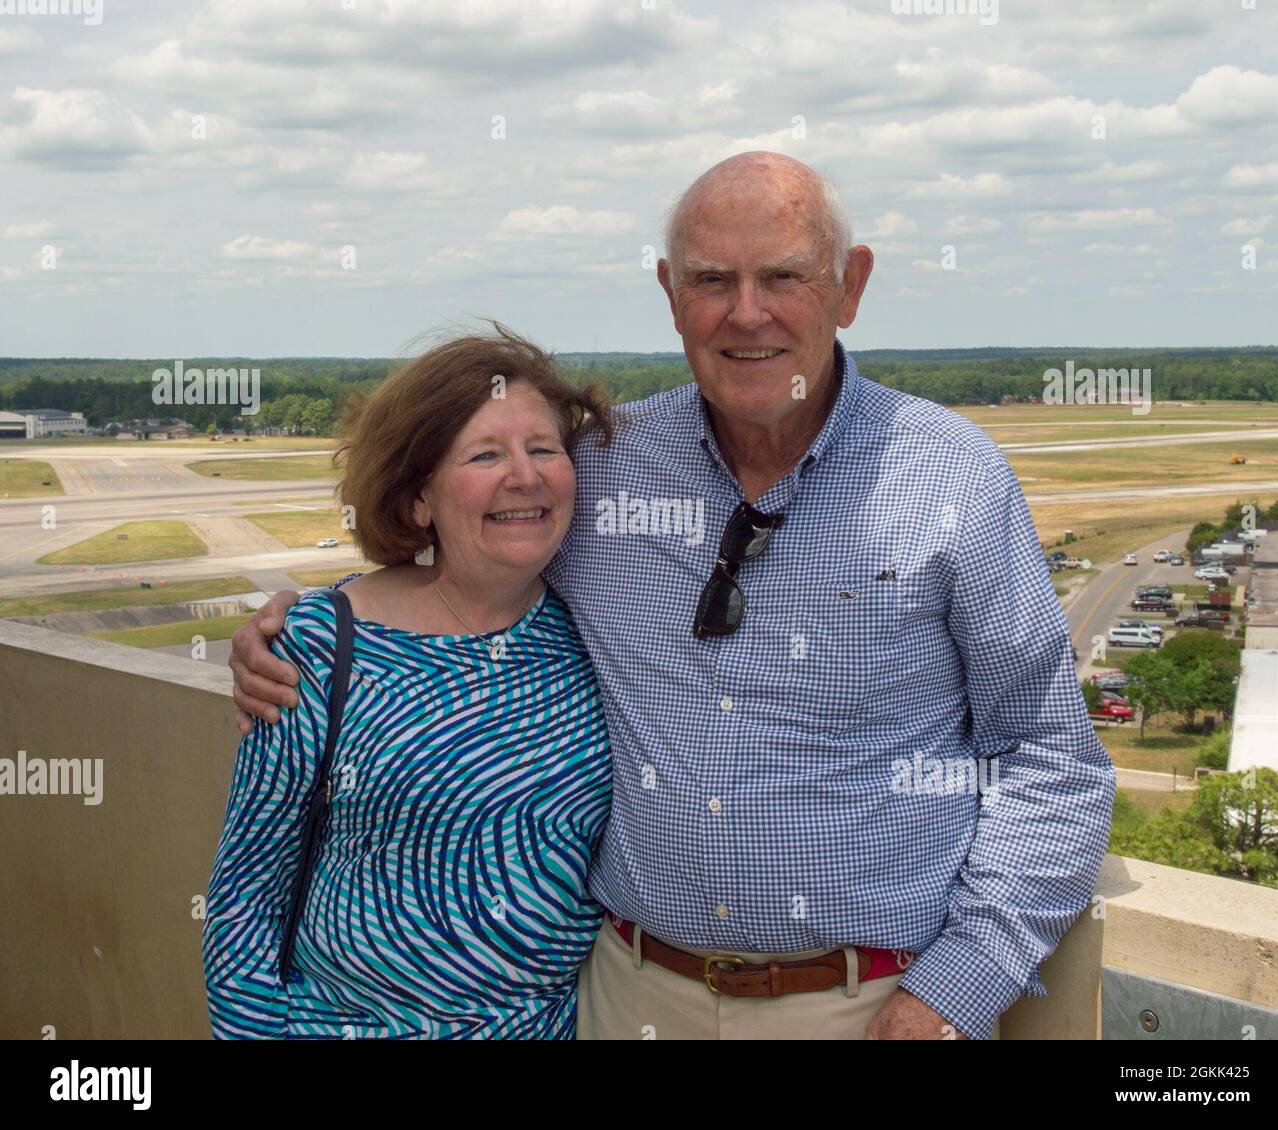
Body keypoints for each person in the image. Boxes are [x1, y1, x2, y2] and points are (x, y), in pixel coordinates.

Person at [229, 152, 1116, 1041]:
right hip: (627, 998)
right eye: (710, 280)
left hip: (870, 1010)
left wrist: (957, 991)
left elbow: (1051, 761)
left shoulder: (951, 478)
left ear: (850, 286)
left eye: (782, 277)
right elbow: (471, 554)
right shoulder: (602, 468)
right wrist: (302, 627)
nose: (746, 312)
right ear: (668, 292)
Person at [203, 326, 614, 1038]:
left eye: (543, 448)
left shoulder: (598, 632)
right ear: (418, 498)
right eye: (485, 454)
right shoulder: (323, 644)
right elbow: (246, 894)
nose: (525, 475)